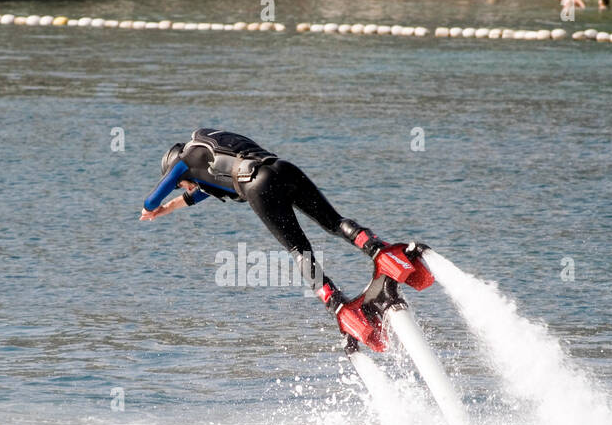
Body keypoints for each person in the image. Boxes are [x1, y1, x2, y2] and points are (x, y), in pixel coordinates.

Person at [140, 129, 425, 345]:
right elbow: (201, 192)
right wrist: (168, 209)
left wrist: (151, 207)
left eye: (180, 184)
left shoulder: (186, 157)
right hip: (282, 169)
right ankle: (379, 251)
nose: (183, 187)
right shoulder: (212, 147)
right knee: (334, 223)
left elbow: (155, 195)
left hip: (258, 186)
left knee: (300, 250)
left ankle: (338, 306)